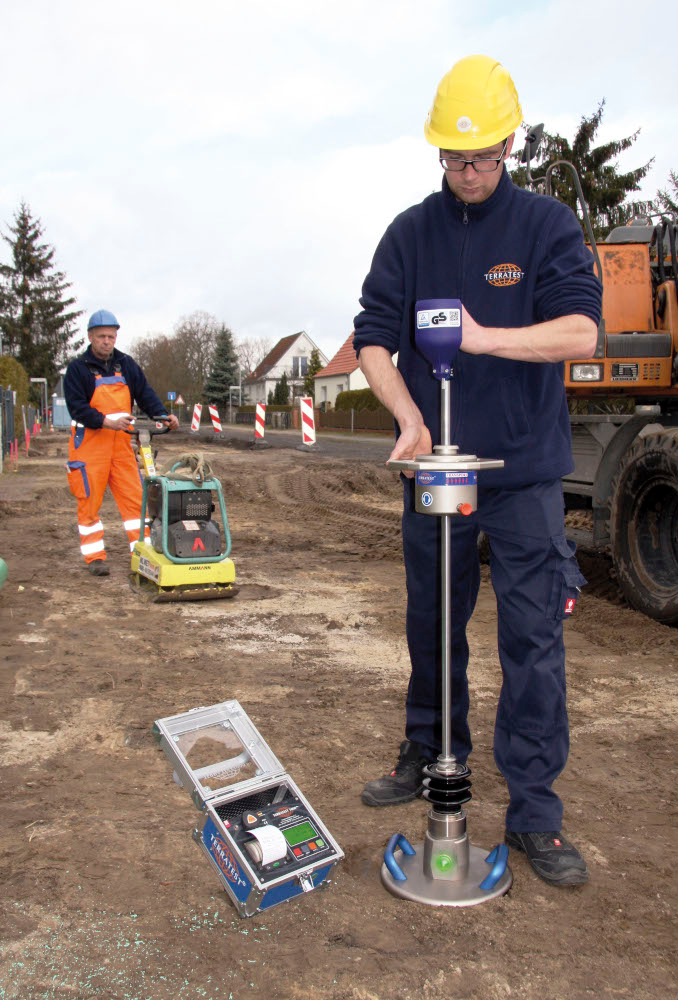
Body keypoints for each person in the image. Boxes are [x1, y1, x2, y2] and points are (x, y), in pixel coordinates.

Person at [353, 55, 602, 887]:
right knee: (433, 625)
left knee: (532, 644)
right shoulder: (409, 235)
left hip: (525, 476)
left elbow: (580, 334)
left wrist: (482, 333)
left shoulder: (545, 228)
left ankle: (536, 813)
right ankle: (428, 752)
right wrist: (411, 417)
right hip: (438, 472)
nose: (468, 173)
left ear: (507, 146)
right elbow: (372, 339)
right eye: (454, 159)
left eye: (482, 158)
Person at [64, 309, 179, 576]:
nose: (107, 341)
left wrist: (163, 416)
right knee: (89, 502)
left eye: (111, 336)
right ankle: (95, 557)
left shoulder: (126, 364)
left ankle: (142, 551)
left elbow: (145, 393)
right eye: (102, 336)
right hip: (89, 446)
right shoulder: (78, 369)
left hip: (122, 445)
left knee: (134, 500)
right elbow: (77, 408)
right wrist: (105, 422)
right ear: (91, 337)